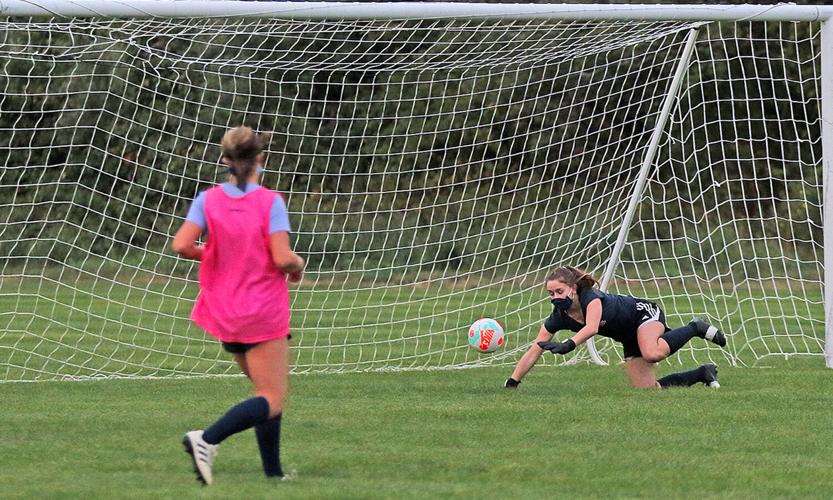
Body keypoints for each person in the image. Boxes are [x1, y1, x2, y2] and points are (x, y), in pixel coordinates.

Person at [171, 126, 304, 485]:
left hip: (224, 312)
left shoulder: (207, 199)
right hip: (261, 311)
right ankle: (207, 439)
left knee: (264, 391)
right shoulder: (269, 202)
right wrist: (298, 265)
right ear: (260, 158)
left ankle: (273, 474)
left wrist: (213, 255)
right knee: (273, 397)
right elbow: (281, 258)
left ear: (226, 160)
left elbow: (182, 245)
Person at [504, 265, 726, 390]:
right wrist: (513, 383)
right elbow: (535, 348)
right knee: (648, 391)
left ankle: (695, 327)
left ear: (572, 288)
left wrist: (568, 345)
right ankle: (702, 373)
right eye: (550, 294)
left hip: (643, 313)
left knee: (652, 353)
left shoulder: (590, 298)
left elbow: (591, 327)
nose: (554, 298)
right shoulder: (559, 316)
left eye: (559, 292)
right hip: (628, 336)